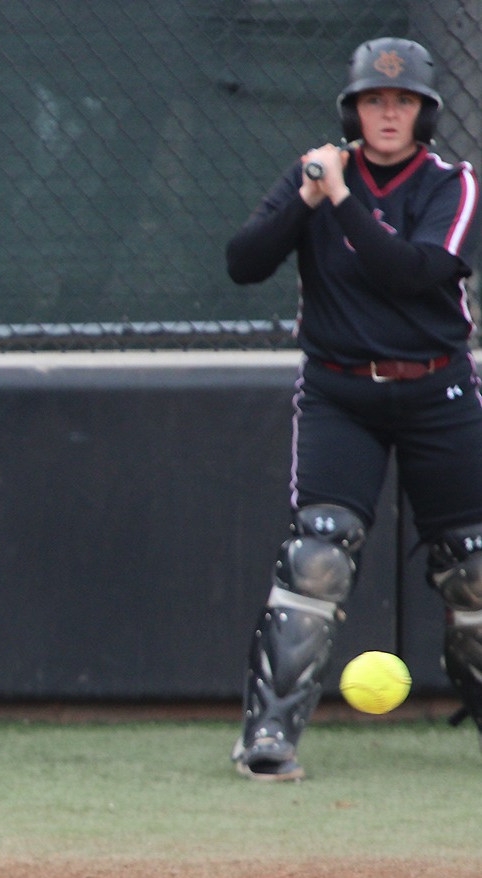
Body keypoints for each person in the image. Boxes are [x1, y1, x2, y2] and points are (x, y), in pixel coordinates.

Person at [225, 37, 480, 780]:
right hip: (342, 390)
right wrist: (307, 197)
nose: (388, 113)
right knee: (319, 552)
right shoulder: (314, 178)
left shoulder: (450, 183)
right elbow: (243, 263)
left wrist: (338, 197)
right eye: (374, 100)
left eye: (403, 101)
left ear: (425, 112)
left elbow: (412, 273)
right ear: (355, 110)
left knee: (474, 567)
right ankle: (268, 737)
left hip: (440, 390)